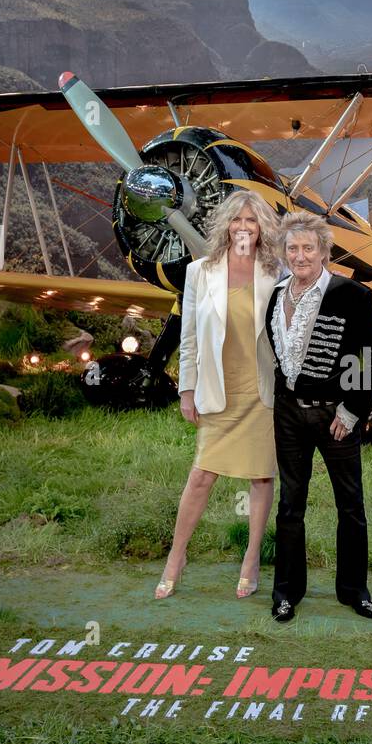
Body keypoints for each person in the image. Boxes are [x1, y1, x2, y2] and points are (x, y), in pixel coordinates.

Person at [155, 189, 283, 600]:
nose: (244, 227)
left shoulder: (276, 270)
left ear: (263, 228)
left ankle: (251, 557)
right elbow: (189, 337)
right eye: (237, 220)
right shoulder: (199, 272)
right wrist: (186, 390)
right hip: (217, 387)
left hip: (262, 390)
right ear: (225, 225)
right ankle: (176, 557)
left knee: (261, 476)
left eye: (252, 221)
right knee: (200, 477)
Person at [265, 211, 372, 623]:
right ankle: (286, 593)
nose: (300, 255)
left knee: (350, 505)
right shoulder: (276, 293)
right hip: (287, 414)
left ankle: (355, 590)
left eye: (308, 248)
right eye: (293, 248)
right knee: (290, 505)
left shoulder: (351, 294)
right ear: (285, 252)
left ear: (323, 251)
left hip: (336, 416)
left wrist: (353, 409)